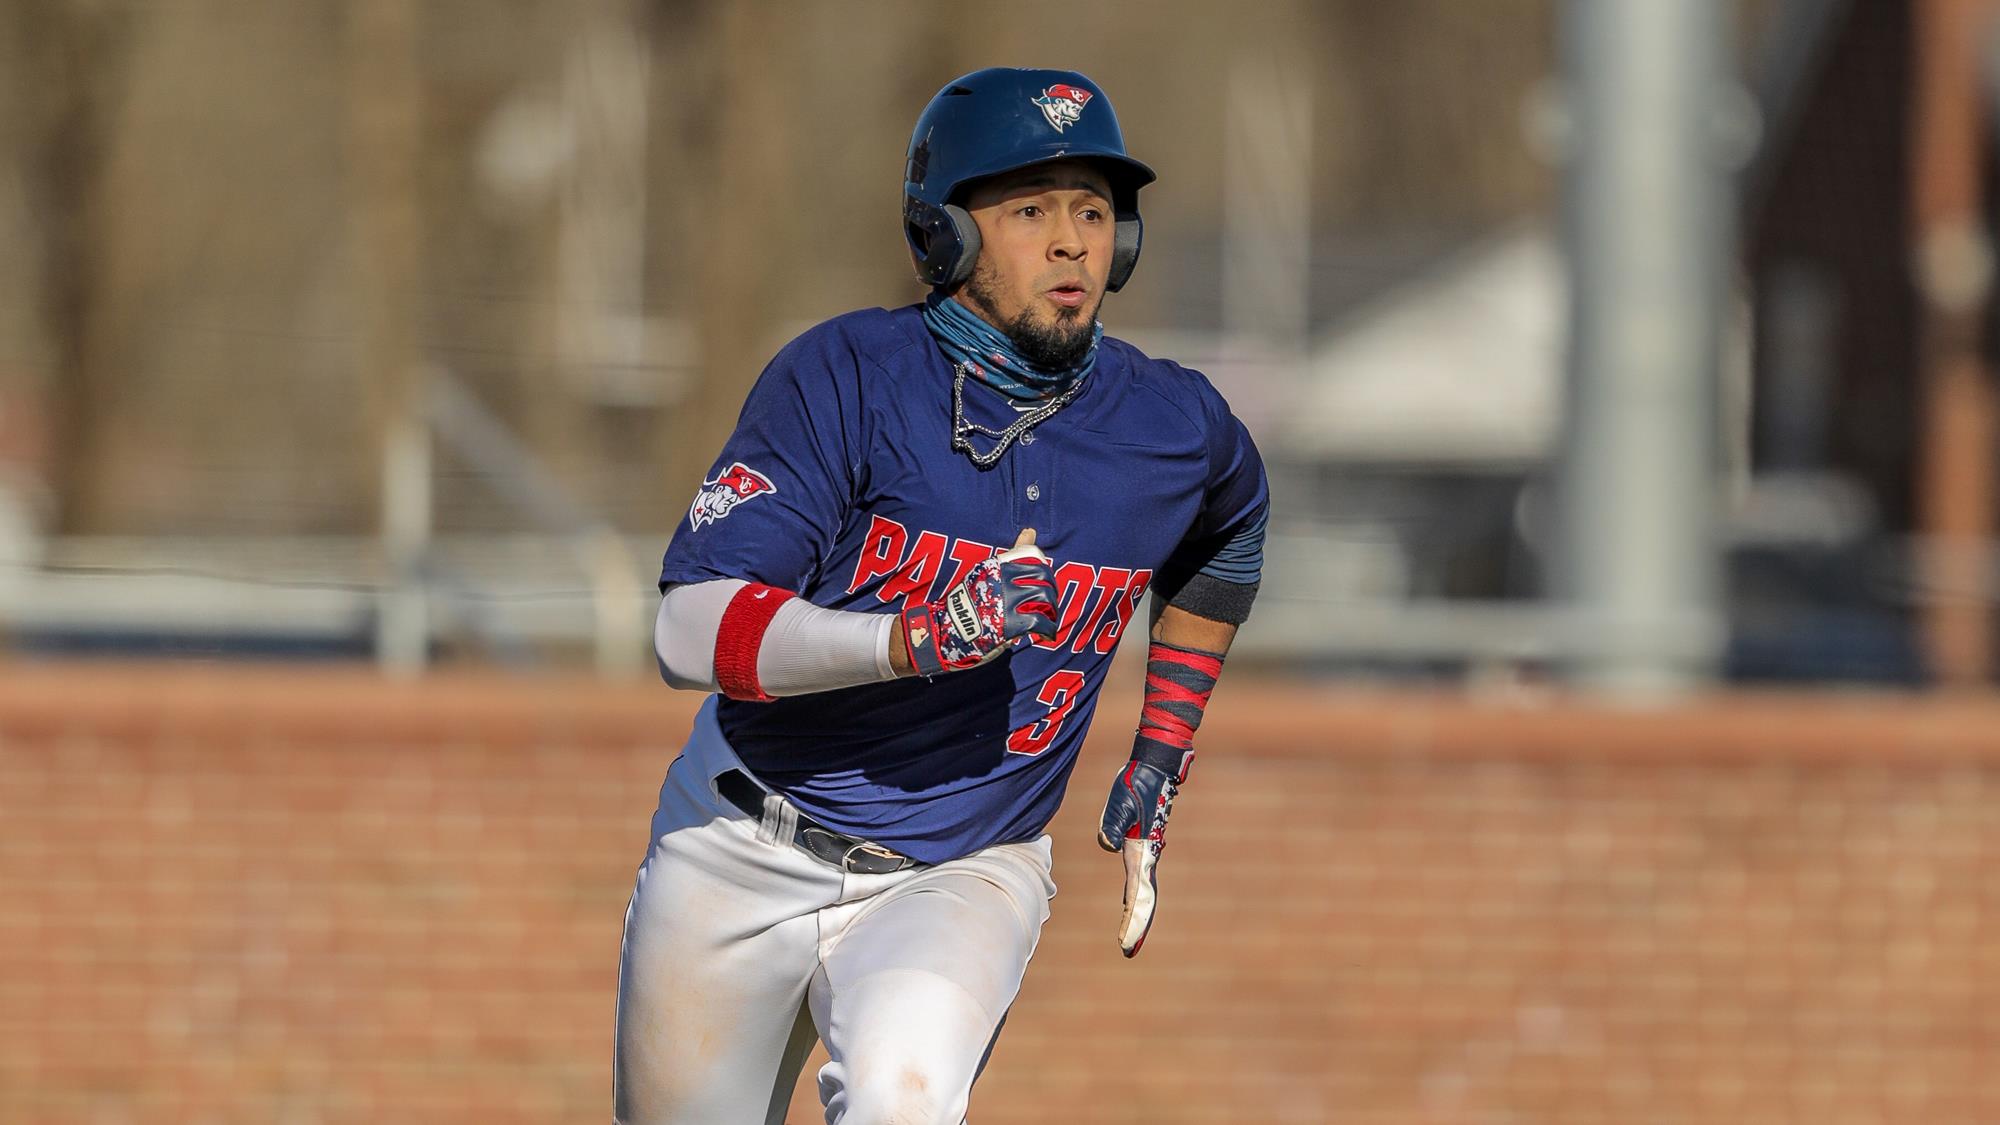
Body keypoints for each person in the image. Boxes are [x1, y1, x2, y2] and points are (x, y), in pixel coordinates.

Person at [615, 66, 1268, 1125]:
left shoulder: (1172, 424)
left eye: (1093, 211)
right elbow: (685, 625)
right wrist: (909, 640)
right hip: (740, 847)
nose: (1071, 243)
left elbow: (1231, 528)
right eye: (1028, 211)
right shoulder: (846, 374)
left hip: (966, 870)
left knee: (901, 1100)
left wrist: (1161, 749)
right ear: (944, 238)